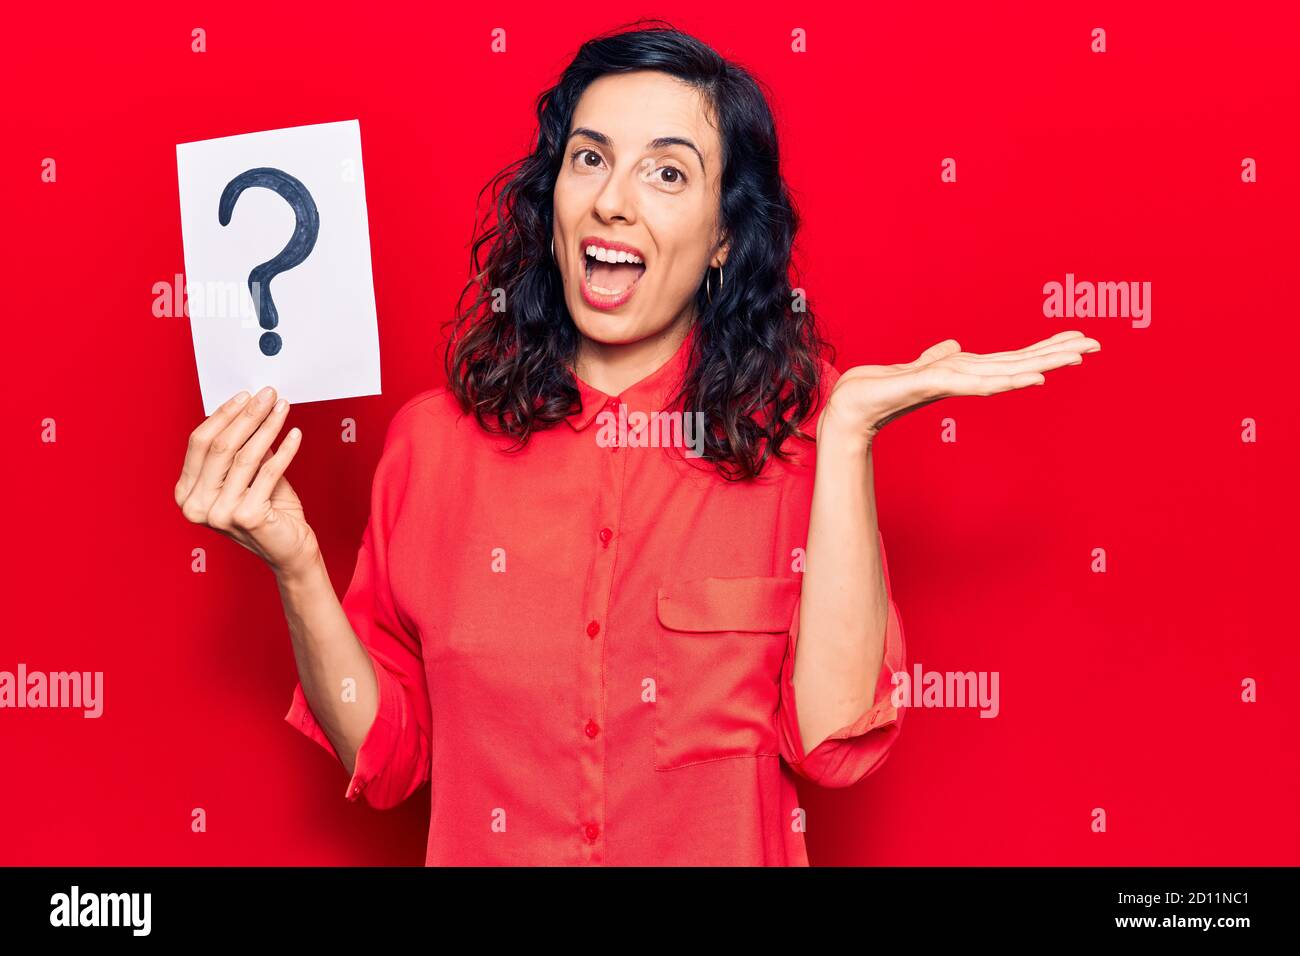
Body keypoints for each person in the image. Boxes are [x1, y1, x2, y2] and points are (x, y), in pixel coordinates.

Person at [173, 22, 1099, 865]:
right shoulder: (432, 446)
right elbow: (388, 757)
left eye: (667, 171)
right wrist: (295, 564)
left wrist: (848, 432)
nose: (614, 201)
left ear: (726, 235)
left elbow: (832, 743)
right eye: (589, 159)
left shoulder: (800, 446)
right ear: (554, 198)